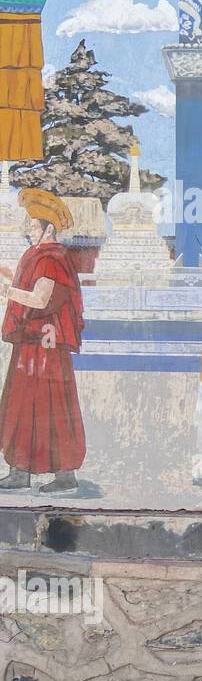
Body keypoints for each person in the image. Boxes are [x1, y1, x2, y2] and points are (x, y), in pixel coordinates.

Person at [0, 189, 86, 494]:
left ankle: (65, 474)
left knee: (52, 407)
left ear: (49, 228)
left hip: (46, 347)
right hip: (30, 344)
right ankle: (19, 469)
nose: (29, 232)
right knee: (21, 404)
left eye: (34, 227)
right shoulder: (35, 255)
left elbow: (40, 298)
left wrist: (7, 291)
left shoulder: (52, 258)